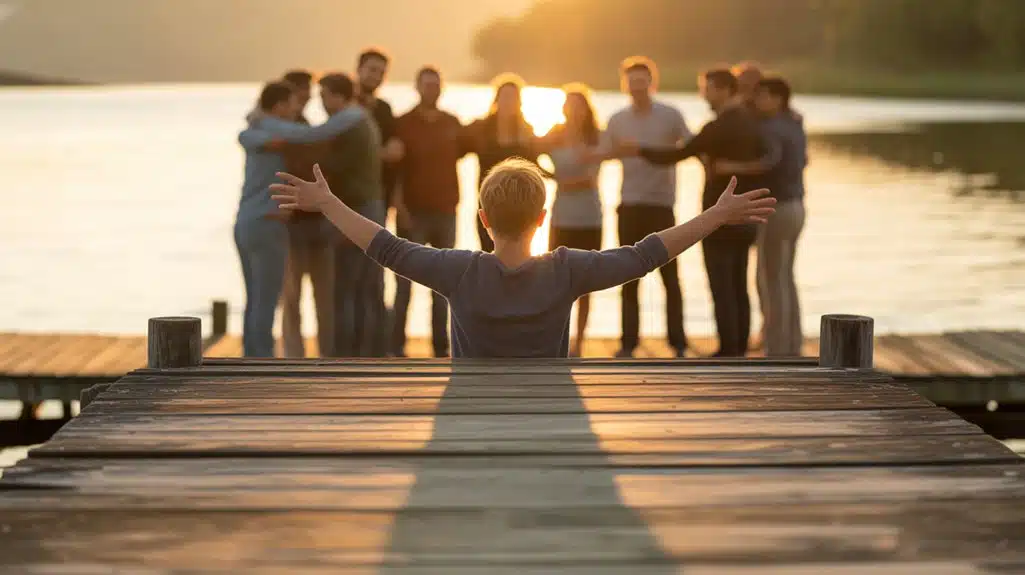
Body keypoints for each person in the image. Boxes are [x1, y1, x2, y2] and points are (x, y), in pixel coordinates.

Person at [268, 160, 774, 358]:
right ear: (543, 218)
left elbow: (386, 247)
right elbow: (645, 255)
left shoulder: (458, 271)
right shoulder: (567, 269)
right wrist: (715, 215)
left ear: (483, 218)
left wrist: (328, 203)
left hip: (468, 420)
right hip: (549, 417)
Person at [631, 69, 770, 357]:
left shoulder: (716, 127)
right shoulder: (753, 122)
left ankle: (728, 351)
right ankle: (739, 349)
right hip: (748, 215)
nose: (703, 95)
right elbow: (765, 160)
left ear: (723, 90)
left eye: (707, 89)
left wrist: (638, 149)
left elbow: (677, 154)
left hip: (720, 216)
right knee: (739, 283)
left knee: (721, 284)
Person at [604, 57, 692, 358]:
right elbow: (602, 152)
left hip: (661, 205)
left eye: (642, 81)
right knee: (627, 276)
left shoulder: (670, 115)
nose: (637, 87)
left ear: (652, 83)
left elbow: (693, 146)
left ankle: (678, 344)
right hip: (629, 205)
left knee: (670, 277)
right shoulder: (616, 119)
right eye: (632, 82)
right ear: (625, 84)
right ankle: (628, 343)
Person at [715, 76, 807, 356]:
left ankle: (776, 350)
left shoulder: (771, 127)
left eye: (763, 95)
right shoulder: (795, 123)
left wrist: (730, 167)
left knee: (771, 281)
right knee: (785, 277)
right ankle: (792, 344)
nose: (757, 100)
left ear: (778, 98)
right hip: (797, 207)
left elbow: (769, 161)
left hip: (776, 209)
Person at [390, 66, 472, 357]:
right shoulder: (402, 123)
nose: (431, 90)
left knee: (444, 284)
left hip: (446, 211)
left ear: (441, 88)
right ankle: (395, 346)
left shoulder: (452, 123)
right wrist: (398, 207)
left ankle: (441, 347)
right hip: (412, 213)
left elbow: (475, 147)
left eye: (436, 85)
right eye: (426, 85)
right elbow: (395, 172)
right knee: (404, 284)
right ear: (417, 87)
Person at [535, 84, 606, 357]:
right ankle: (557, 338)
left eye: (579, 105)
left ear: (586, 109)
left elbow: (591, 179)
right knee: (556, 281)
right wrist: (550, 176)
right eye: (569, 104)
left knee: (586, 282)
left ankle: (579, 342)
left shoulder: (596, 137)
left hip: (589, 217)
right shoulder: (554, 134)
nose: (574, 110)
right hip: (561, 217)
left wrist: (564, 182)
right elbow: (531, 151)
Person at [233, 82, 302, 357]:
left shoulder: (254, 132)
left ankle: (251, 356)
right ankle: (261, 359)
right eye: (292, 103)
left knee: (254, 298)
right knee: (266, 300)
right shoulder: (275, 133)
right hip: (268, 223)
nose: (296, 109)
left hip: (245, 223)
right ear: (280, 105)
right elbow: (309, 135)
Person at [276, 68, 335, 358]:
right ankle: (295, 356)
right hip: (292, 222)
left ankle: (323, 355)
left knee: (321, 295)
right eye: (304, 91)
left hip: (316, 221)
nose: (309, 96)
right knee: (293, 296)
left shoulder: (307, 129)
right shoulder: (282, 131)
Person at [465, 74, 541, 252]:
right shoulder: (481, 128)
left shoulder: (526, 130)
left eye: (513, 97)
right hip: (487, 207)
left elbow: (535, 168)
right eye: (505, 96)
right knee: (487, 258)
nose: (509, 102)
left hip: (521, 209)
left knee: (518, 259)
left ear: (519, 102)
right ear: (497, 99)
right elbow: (454, 145)